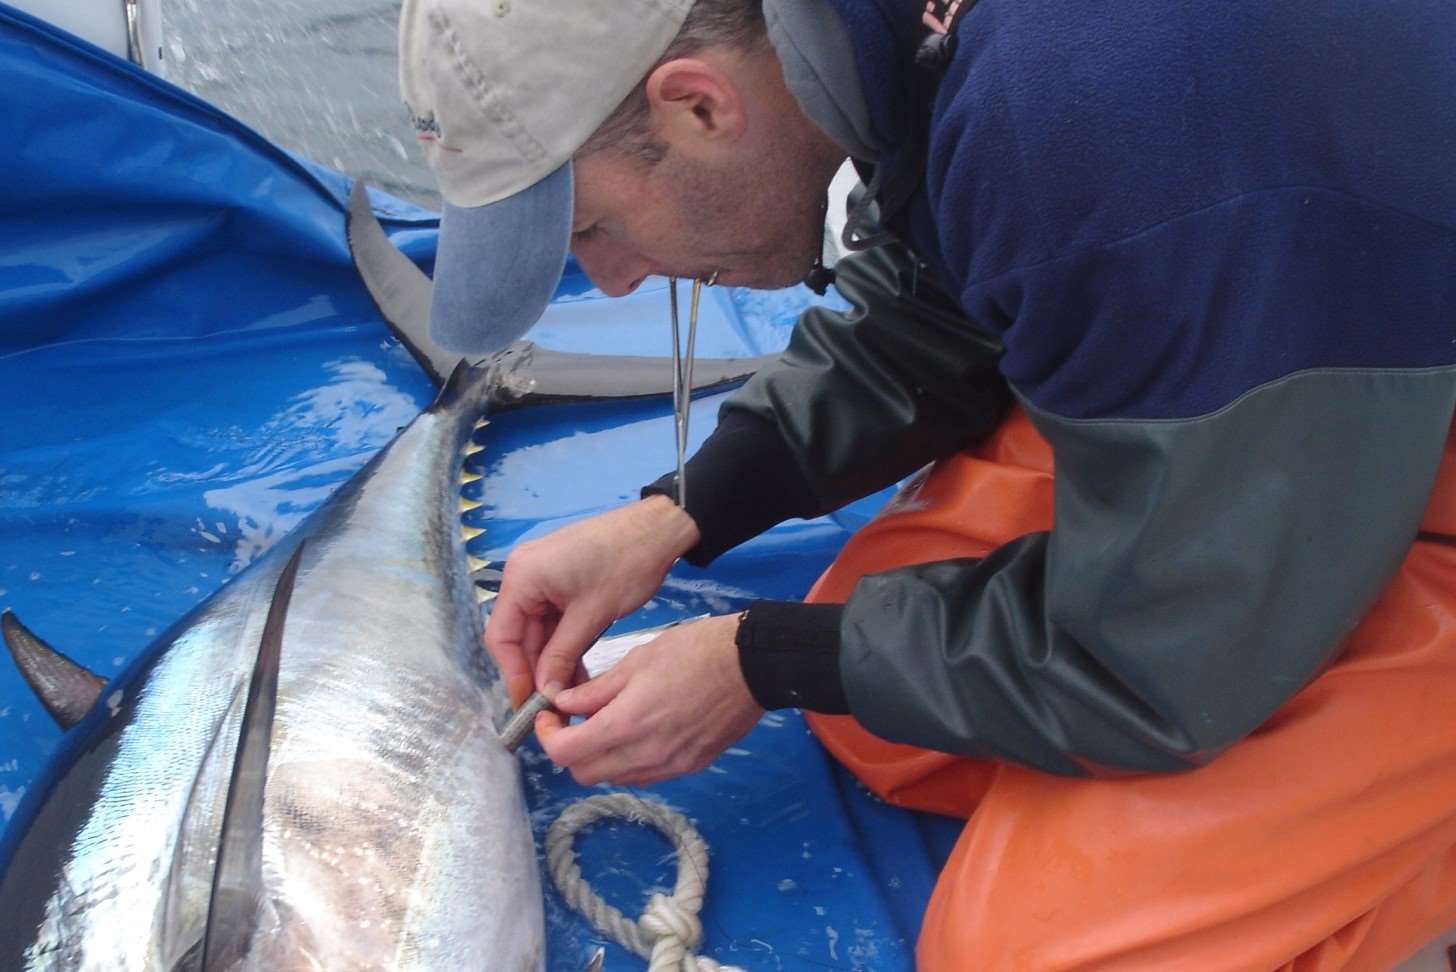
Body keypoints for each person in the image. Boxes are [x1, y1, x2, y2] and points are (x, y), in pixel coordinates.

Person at [398, 0, 1456, 967]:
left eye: (593, 230)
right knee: (875, 704)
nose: (613, 281)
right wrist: (680, 513)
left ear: (698, 105)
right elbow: (947, 296)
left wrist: (761, 659)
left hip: (1381, 420)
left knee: (1034, 953)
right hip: (1285, 343)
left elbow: (1168, 658)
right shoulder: (898, 42)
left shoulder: (1108, 125)